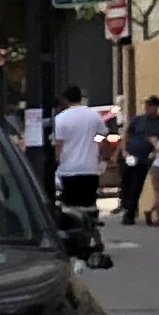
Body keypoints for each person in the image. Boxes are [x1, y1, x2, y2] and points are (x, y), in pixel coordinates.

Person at [50, 93, 109, 233]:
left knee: (71, 203)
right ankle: (91, 230)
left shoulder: (61, 118)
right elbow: (104, 135)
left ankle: (74, 231)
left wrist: (56, 160)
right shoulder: (93, 115)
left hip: (68, 168)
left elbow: (59, 143)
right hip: (90, 167)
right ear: (80, 98)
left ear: (65, 100)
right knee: (89, 202)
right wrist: (101, 154)